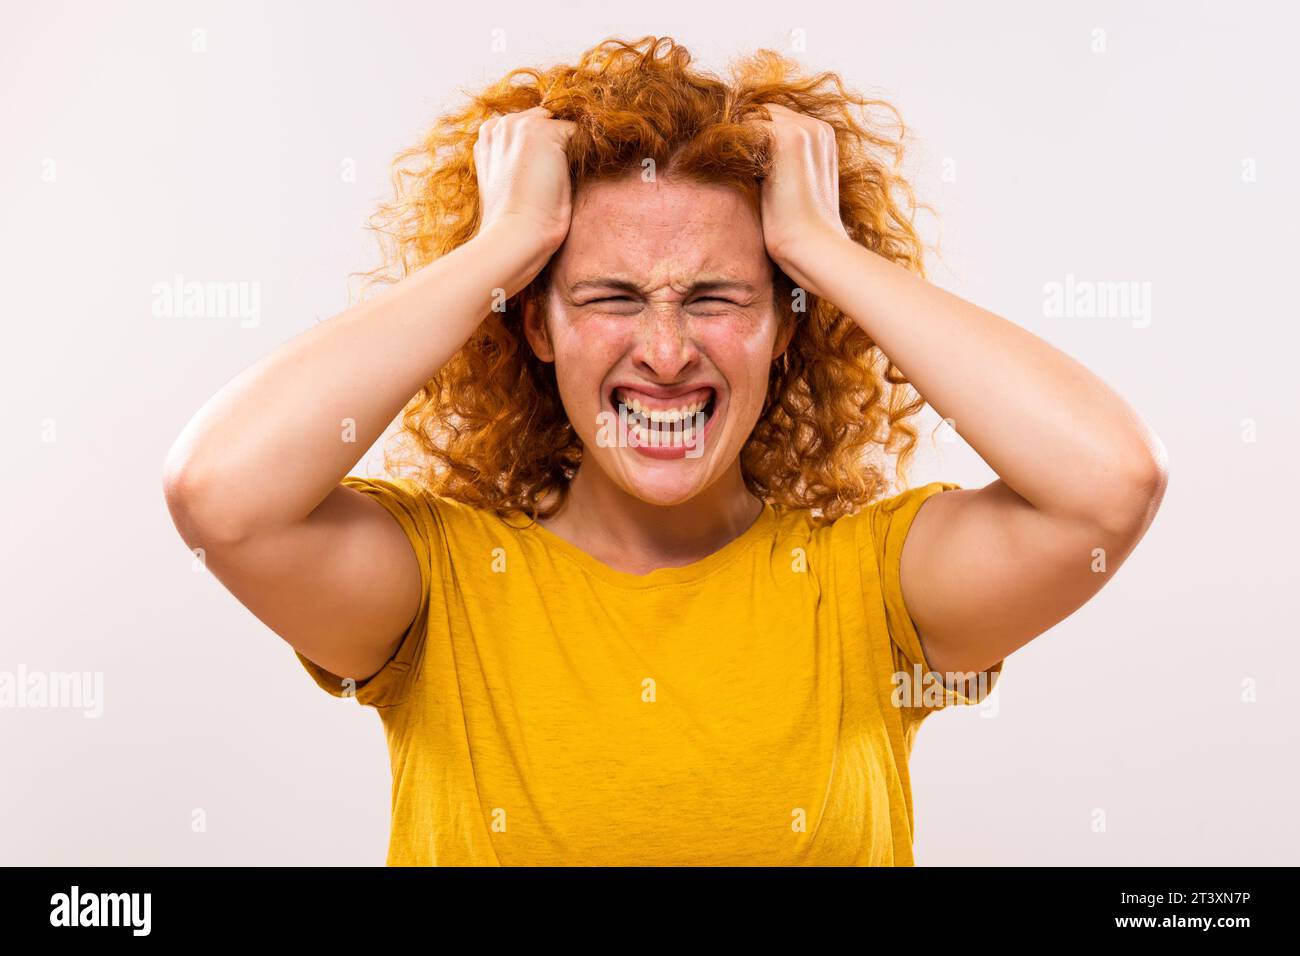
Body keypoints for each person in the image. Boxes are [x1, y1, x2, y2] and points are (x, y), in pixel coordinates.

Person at [162, 36, 1168, 866]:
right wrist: (503, 245)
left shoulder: (868, 589)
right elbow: (218, 492)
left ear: (783, 329)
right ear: (535, 326)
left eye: (716, 295)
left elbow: (1108, 484)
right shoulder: (440, 590)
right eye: (610, 295)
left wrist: (822, 251)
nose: (667, 349)